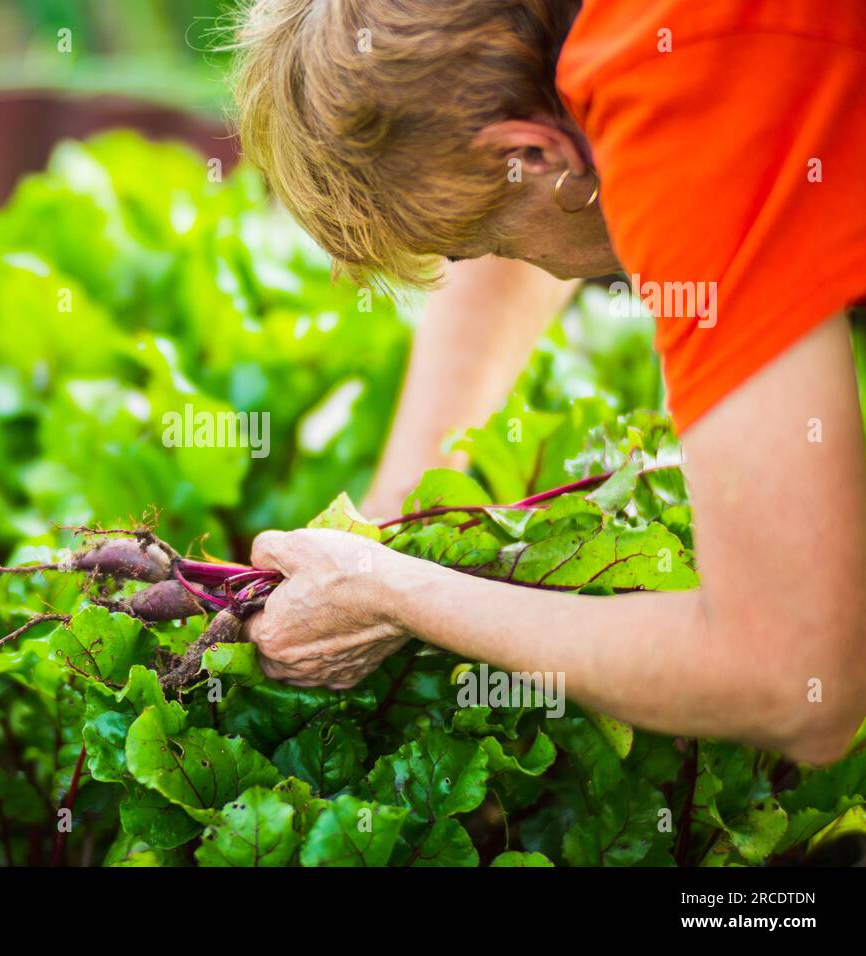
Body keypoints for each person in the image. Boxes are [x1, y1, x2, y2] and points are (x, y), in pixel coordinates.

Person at [232, 0, 866, 763]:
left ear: (536, 153)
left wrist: (396, 595)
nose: (494, 261)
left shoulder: (685, 85)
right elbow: (512, 185)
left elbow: (794, 678)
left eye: (476, 246)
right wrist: (393, 517)